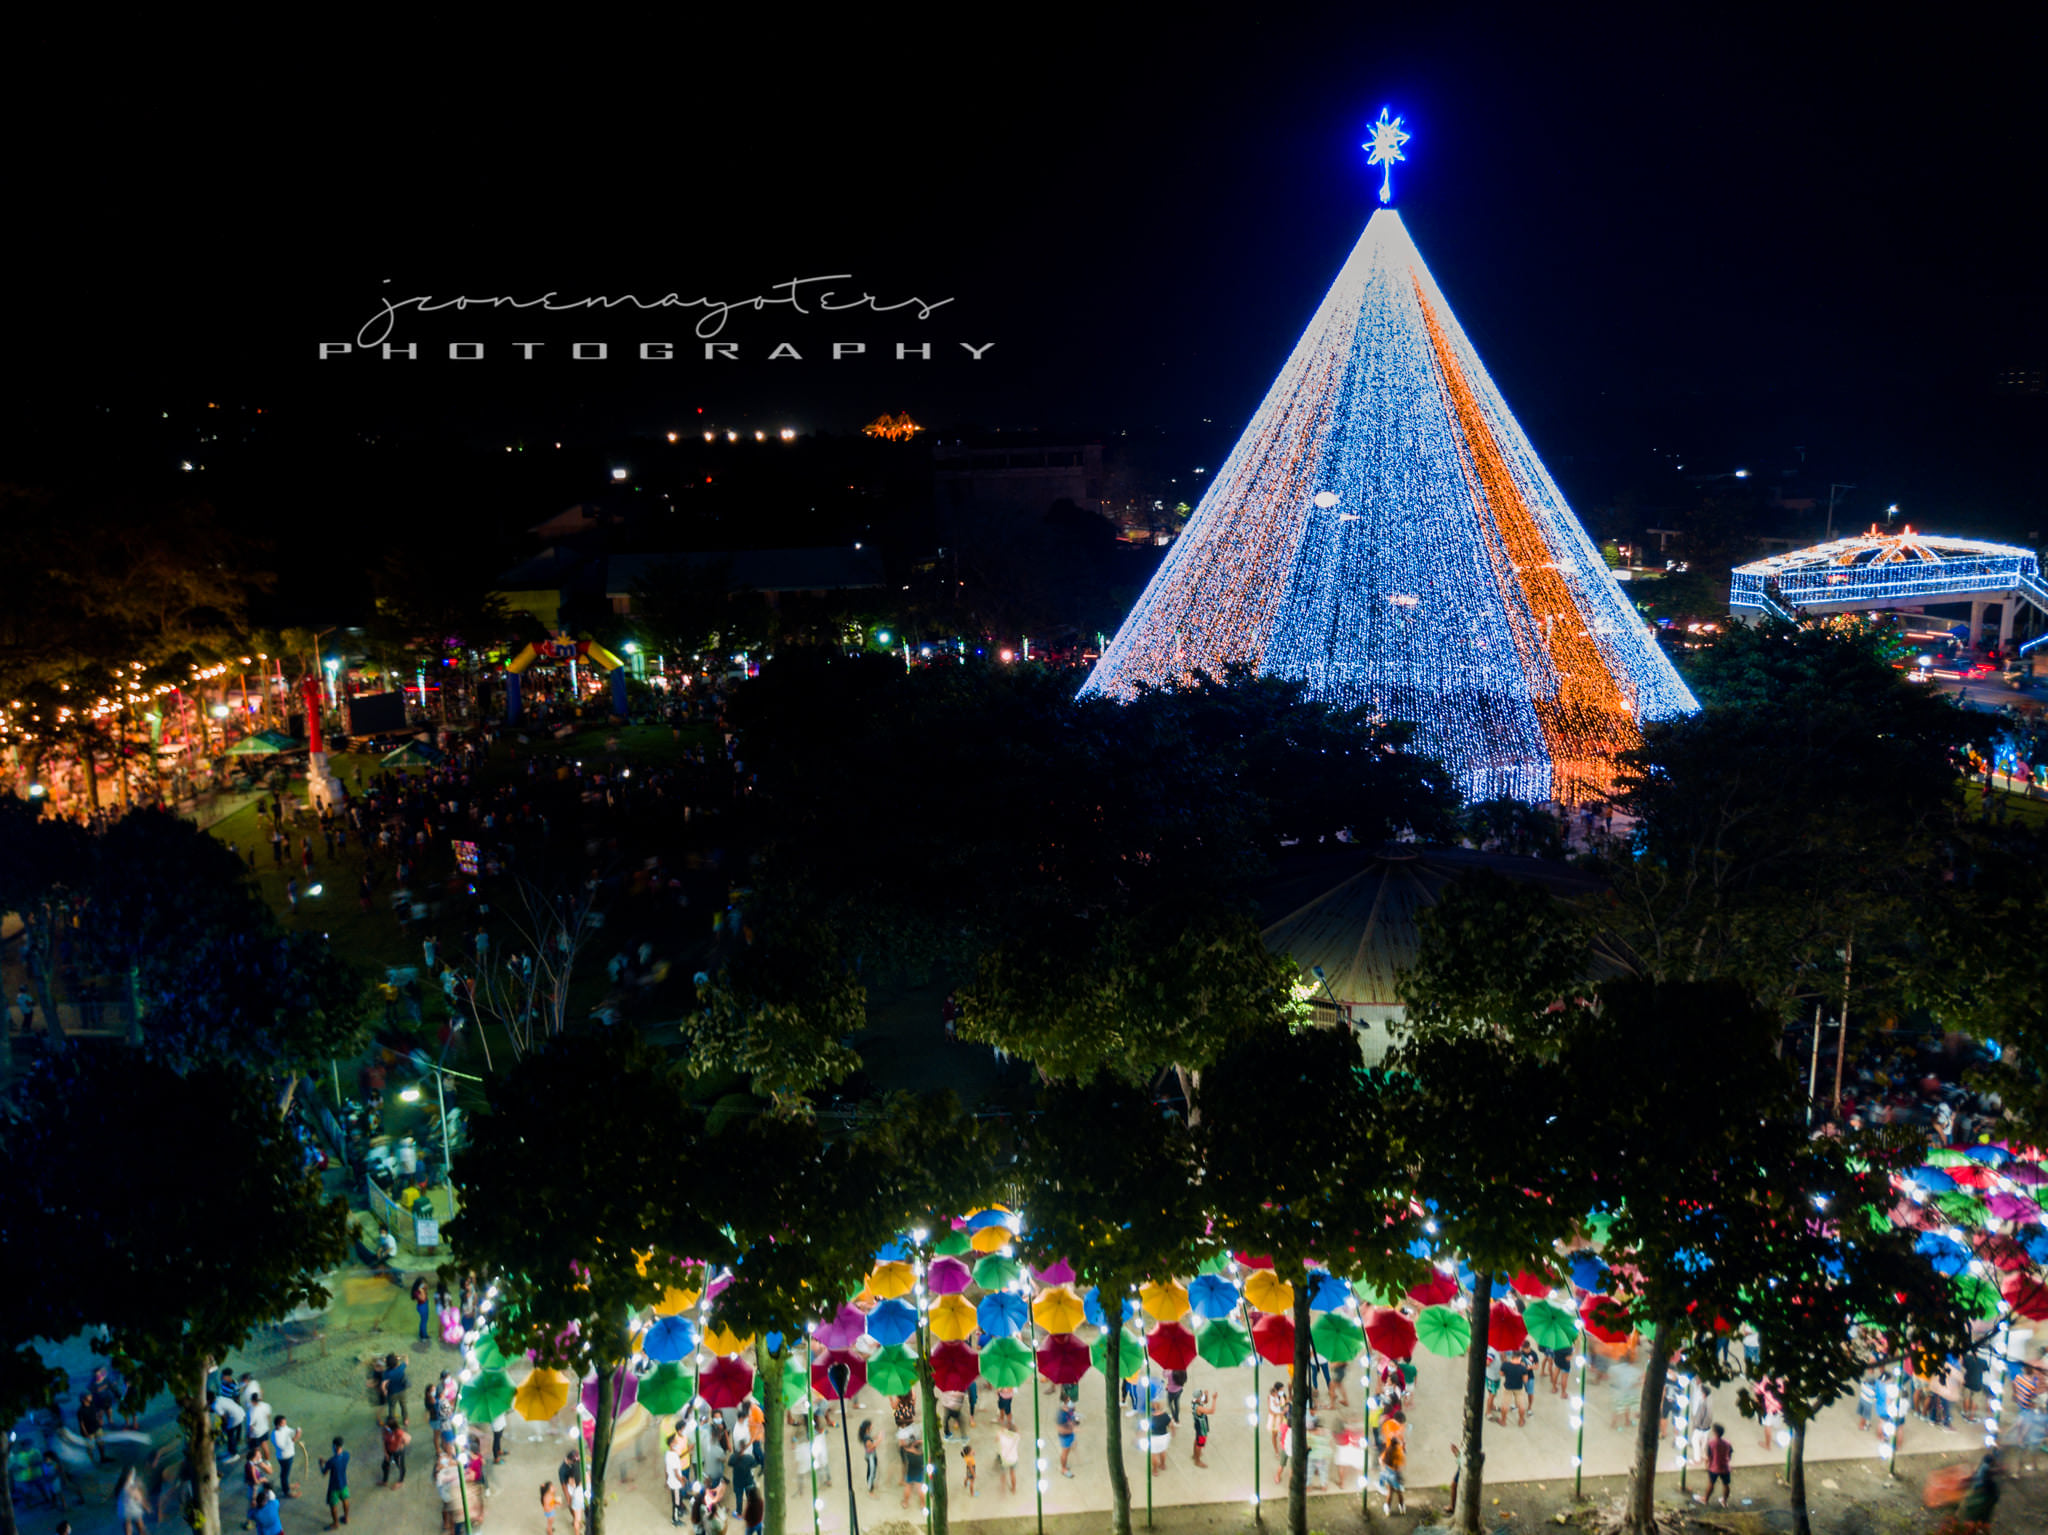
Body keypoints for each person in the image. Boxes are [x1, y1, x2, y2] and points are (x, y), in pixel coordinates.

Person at [319, 1436, 351, 1529]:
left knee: (333, 1505)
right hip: (344, 1483)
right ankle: (346, 1518)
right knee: (345, 1499)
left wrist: (321, 1465)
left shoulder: (331, 1461)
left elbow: (324, 1473)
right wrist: (327, 1461)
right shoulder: (346, 1455)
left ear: (334, 1446)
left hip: (334, 1487)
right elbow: (336, 1462)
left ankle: (335, 1523)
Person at [1701, 1423, 1733, 1510]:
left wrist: (1706, 1465)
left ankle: (1705, 1499)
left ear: (1715, 1432)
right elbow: (1730, 1453)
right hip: (1725, 1467)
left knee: (1711, 1483)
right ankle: (1724, 1501)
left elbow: (1709, 1456)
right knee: (1726, 1484)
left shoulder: (1711, 1443)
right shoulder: (1727, 1443)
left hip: (1714, 1468)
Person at [1378, 1420, 1406, 1516]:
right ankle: (1402, 1508)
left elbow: (1381, 1460)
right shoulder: (1399, 1453)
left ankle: (1388, 1509)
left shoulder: (1388, 1451)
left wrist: (1385, 1467)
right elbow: (1401, 1466)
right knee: (1399, 1493)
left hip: (1388, 1473)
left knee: (1389, 1492)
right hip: (1396, 1474)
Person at [272, 1416, 302, 1497]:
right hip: (284, 1457)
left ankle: (286, 1485)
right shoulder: (275, 1435)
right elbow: (282, 1447)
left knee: (285, 1473)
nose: (285, 1424)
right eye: (283, 1423)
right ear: (278, 1424)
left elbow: (290, 1431)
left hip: (289, 1455)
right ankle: (287, 1491)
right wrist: (295, 1439)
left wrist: (296, 1432)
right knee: (284, 1474)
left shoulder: (284, 1428)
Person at [116, 1466, 148, 1535]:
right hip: (133, 1509)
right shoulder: (131, 1486)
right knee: (141, 1527)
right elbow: (138, 1498)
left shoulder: (120, 1484)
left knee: (128, 1530)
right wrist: (146, 1507)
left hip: (123, 1510)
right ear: (131, 1474)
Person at [380, 1415, 410, 1487]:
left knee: (400, 1466)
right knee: (384, 1465)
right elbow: (384, 1441)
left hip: (397, 1452)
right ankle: (385, 1481)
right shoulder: (385, 1430)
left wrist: (401, 1445)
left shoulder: (399, 1432)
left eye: (387, 1426)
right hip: (389, 1451)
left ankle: (400, 1481)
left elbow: (408, 1439)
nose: (386, 1427)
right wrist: (385, 1453)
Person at [664, 1434, 687, 1526]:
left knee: (678, 1498)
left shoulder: (668, 1454)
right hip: (675, 1483)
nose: (677, 1442)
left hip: (672, 1481)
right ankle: (675, 1519)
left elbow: (666, 1469)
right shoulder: (673, 1456)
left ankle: (679, 1512)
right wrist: (681, 1481)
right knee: (676, 1501)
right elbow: (676, 1472)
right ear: (671, 1444)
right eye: (675, 1441)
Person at [900, 1436, 926, 1511]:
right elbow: (925, 1442)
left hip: (911, 1470)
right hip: (919, 1470)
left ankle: (905, 1503)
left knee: (908, 1486)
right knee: (920, 1488)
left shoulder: (908, 1451)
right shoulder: (921, 1453)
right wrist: (919, 1441)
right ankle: (923, 1504)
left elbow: (903, 1445)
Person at [1056, 1396, 1080, 1477]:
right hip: (1065, 1437)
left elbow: (1071, 1417)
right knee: (1064, 1453)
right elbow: (1060, 1429)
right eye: (1068, 1401)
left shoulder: (1069, 1410)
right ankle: (1063, 1468)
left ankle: (1064, 1465)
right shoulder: (1061, 1415)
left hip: (1070, 1434)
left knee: (1068, 1450)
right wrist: (1072, 1430)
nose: (1071, 1403)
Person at [1191, 1388, 1213, 1467]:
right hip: (1201, 1426)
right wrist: (1214, 1399)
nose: (1202, 1396)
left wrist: (1206, 1395)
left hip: (1197, 1423)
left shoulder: (1194, 1401)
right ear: (1198, 1397)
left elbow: (1205, 1401)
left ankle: (1194, 1455)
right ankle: (1197, 1461)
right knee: (1200, 1444)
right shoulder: (1199, 1408)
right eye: (1201, 1395)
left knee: (1197, 1439)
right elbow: (1211, 1411)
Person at [994, 1425, 1019, 1494]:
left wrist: (1002, 1430)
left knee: (1003, 1474)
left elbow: (996, 1439)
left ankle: (1003, 1490)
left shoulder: (1002, 1437)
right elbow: (1017, 1432)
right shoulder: (1017, 1437)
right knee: (1012, 1473)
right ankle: (1013, 1489)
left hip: (1005, 1460)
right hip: (1014, 1459)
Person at [858, 1420, 878, 1494]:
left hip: (870, 1456)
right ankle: (870, 1490)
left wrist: (875, 1437)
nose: (872, 1426)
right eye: (871, 1425)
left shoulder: (866, 1434)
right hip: (871, 1457)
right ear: (867, 1428)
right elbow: (871, 1447)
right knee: (871, 1473)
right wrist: (879, 1439)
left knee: (871, 1471)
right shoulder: (866, 1438)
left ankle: (871, 1484)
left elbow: (870, 1439)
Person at [414, 1277, 432, 1342]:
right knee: (423, 1322)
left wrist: (425, 1288)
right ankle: (423, 1336)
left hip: (424, 1305)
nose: (423, 1284)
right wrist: (421, 1290)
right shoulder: (416, 1292)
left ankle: (424, 1334)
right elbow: (423, 1298)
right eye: (422, 1283)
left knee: (424, 1321)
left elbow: (426, 1293)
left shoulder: (421, 1289)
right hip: (422, 1306)